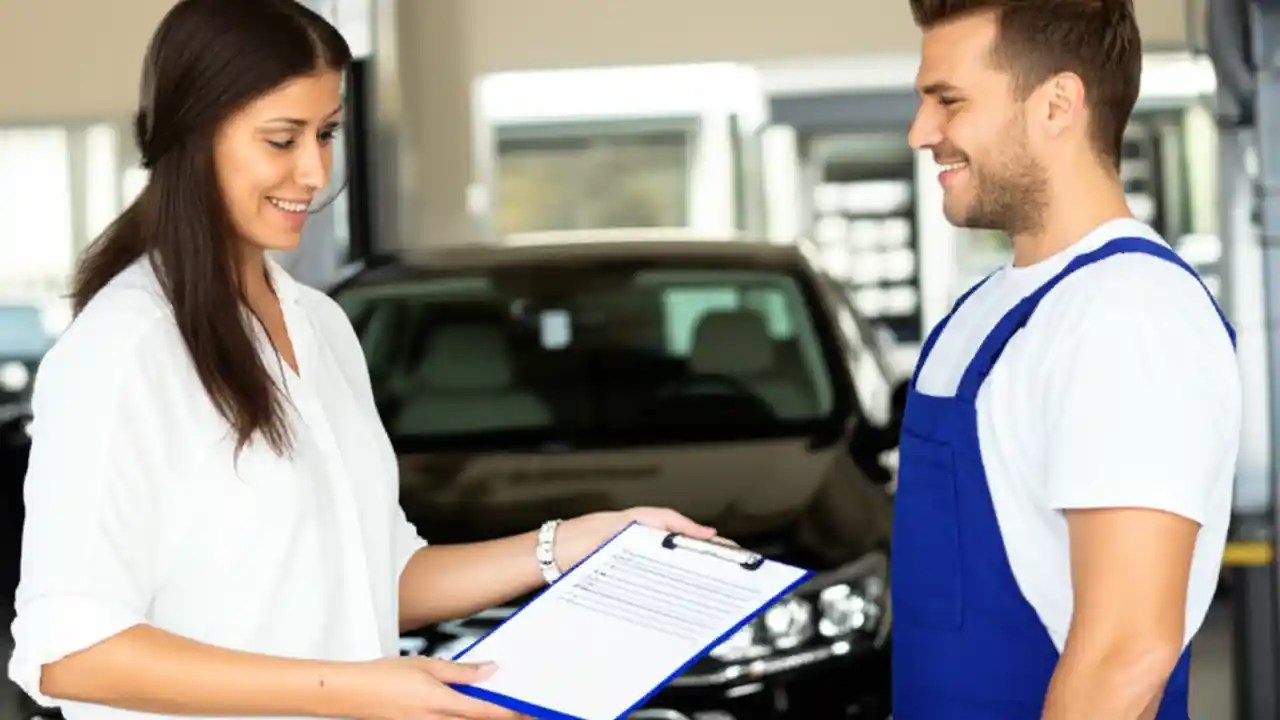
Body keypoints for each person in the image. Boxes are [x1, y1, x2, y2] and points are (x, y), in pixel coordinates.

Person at [6, 1, 721, 718]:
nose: (314, 172)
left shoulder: (317, 324)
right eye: (281, 139)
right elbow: (71, 652)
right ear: (193, 136)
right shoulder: (125, 348)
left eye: (326, 133)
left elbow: (376, 573)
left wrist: (568, 545)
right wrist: (359, 688)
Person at [896, 1, 1241, 718]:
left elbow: (1127, 655)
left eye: (948, 101)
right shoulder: (988, 307)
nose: (921, 132)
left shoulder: (1126, 313)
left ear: (1057, 104)